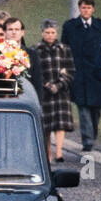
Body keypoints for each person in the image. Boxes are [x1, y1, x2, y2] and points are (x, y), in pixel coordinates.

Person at [61, 0, 101, 151]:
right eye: (83, 7)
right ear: (79, 8)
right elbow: (64, 48)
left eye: (89, 8)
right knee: (82, 107)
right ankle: (87, 141)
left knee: (96, 110)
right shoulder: (70, 26)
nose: (86, 10)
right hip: (79, 73)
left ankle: (92, 135)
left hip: (96, 74)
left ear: (93, 9)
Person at [33, 20, 75, 163]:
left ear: (56, 33)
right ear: (42, 33)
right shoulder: (36, 49)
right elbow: (36, 72)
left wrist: (61, 84)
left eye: (52, 32)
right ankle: (48, 151)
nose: (50, 35)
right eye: (47, 32)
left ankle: (59, 152)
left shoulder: (64, 49)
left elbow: (70, 69)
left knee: (60, 123)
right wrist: (46, 84)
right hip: (45, 92)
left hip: (61, 91)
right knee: (47, 125)